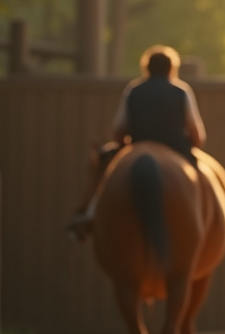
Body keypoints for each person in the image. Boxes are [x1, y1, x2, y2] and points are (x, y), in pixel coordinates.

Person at [68, 45, 206, 238]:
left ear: (147, 68)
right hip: (177, 149)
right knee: (206, 181)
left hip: (137, 146)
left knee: (101, 168)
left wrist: (125, 143)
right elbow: (197, 135)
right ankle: (207, 219)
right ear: (172, 68)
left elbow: (118, 131)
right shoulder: (182, 91)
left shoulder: (133, 90)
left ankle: (89, 214)